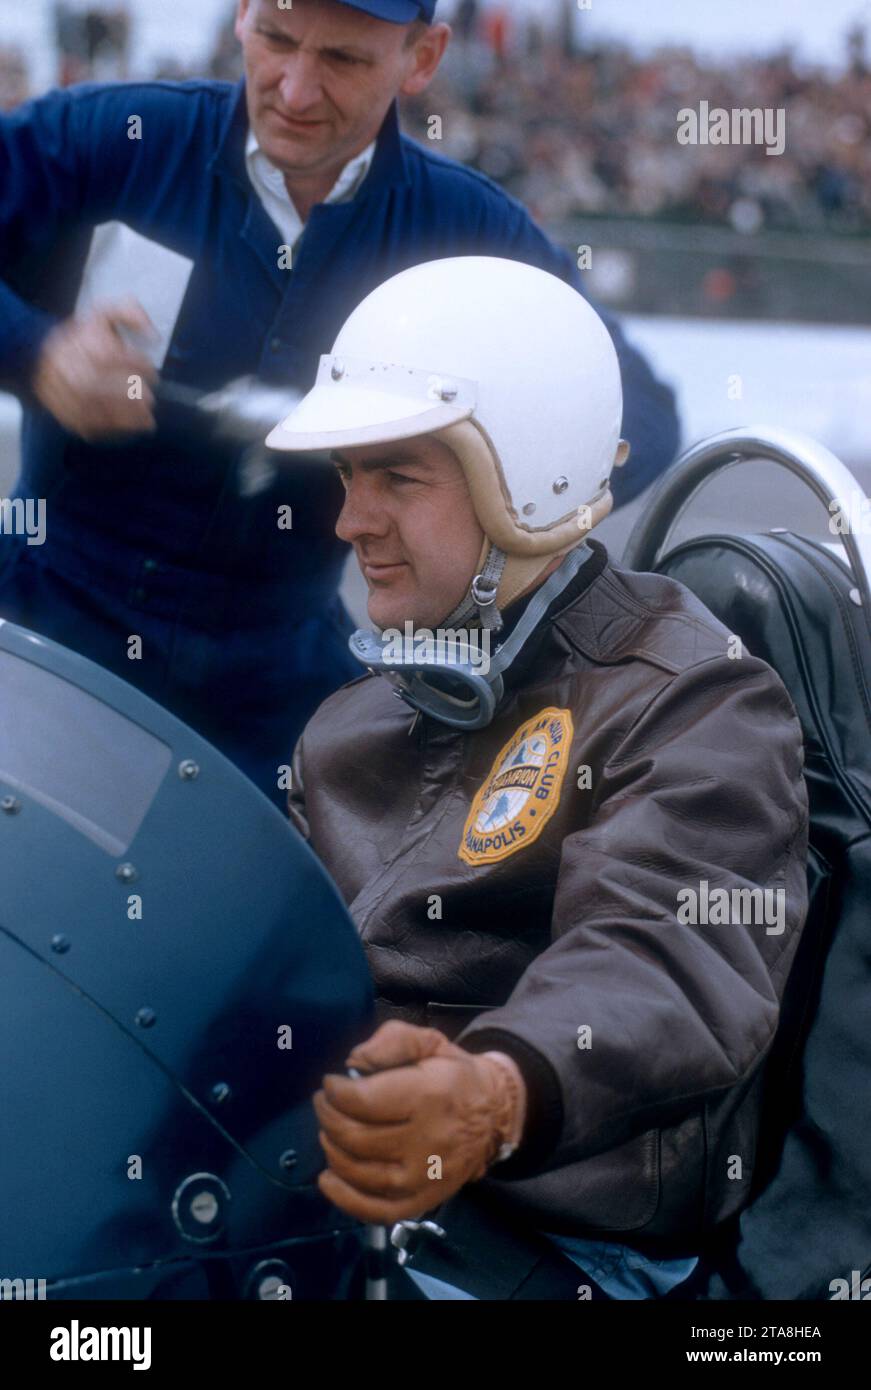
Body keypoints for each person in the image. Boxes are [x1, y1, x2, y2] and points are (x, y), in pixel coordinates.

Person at [266, 255, 810, 1300]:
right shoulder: (360, 711)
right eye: (347, 478)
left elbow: (666, 955)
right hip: (344, 1179)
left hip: (560, 1243)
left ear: (520, 477)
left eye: (398, 477)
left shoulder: (689, 698)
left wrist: (496, 1091)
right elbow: (256, 935)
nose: (350, 520)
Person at [0, 0, 679, 810]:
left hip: (280, 690)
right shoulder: (112, 138)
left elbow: (633, 407)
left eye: (344, 61)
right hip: (38, 620)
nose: (293, 89)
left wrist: (487, 504)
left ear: (421, 57)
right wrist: (35, 353)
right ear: (243, 16)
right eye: (276, 40)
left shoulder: (465, 225)